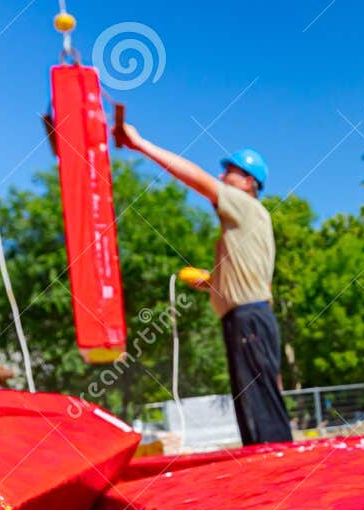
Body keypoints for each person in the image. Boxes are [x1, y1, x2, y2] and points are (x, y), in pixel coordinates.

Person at [114, 123, 292, 446]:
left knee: (259, 411)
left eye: (230, 173)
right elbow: (247, 274)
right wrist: (213, 283)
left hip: (248, 319)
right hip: (250, 318)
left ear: (249, 182)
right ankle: (276, 472)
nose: (222, 177)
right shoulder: (252, 219)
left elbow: (195, 178)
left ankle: (282, 477)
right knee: (256, 405)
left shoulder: (244, 204)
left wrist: (141, 144)